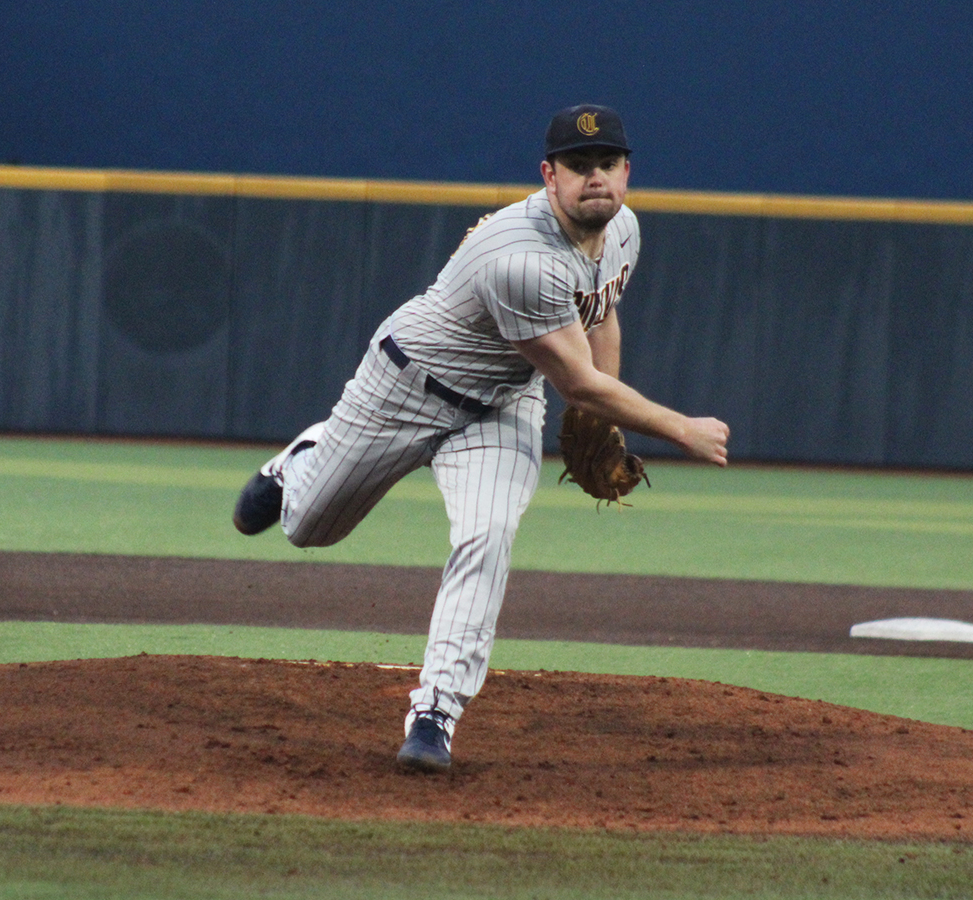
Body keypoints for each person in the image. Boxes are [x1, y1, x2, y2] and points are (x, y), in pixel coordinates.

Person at [232, 104, 730, 772]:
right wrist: (679, 428)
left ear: (626, 172)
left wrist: (605, 427)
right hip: (406, 387)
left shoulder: (623, 231)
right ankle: (301, 461)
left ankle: (435, 714)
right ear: (549, 176)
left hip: (501, 405)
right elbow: (579, 385)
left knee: (487, 533)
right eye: (579, 165)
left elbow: (601, 316)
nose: (595, 177)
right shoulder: (521, 259)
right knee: (308, 529)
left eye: (607, 163)